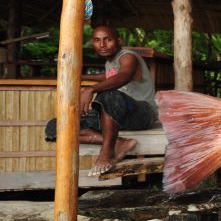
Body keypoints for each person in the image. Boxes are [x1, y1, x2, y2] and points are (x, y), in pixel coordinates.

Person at [45, 24, 158, 176]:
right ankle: (119, 142)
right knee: (56, 126)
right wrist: (80, 77)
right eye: (97, 40)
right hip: (116, 116)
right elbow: (108, 76)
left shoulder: (128, 56)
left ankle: (107, 153)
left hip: (142, 113)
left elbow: (123, 76)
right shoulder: (110, 62)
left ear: (118, 41)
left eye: (108, 39)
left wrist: (91, 89)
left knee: (109, 94)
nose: (102, 44)